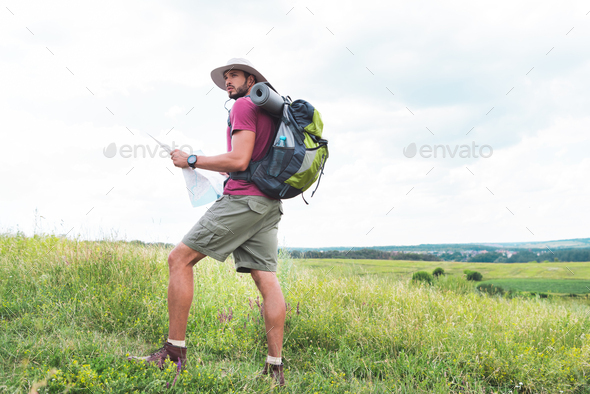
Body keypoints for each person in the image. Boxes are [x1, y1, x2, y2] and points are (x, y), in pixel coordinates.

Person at [128, 58, 286, 386]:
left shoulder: (244, 105)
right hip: (269, 203)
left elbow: (239, 158)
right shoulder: (272, 113)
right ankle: (275, 370)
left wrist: (192, 159)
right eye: (225, 77)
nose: (228, 81)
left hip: (243, 200)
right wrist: (225, 168)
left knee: (179, 259)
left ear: (251, 79)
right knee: (266, 279)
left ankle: (173, 355)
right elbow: (251, 160)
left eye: (234, 75)